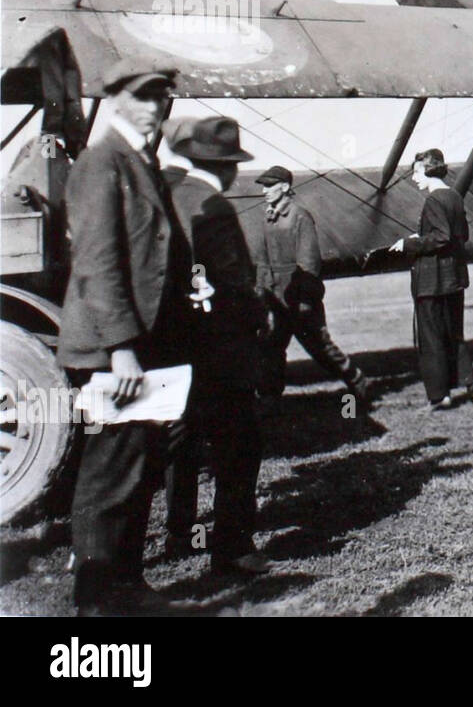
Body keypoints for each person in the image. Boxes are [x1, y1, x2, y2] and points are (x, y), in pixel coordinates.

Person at [58, 56, 192, 615]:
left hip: (146, 342)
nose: (157, 105)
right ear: (114, 99)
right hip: (117, 348)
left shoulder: (139, 161)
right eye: (145, 95)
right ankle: (95, 602)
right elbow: (96, 263)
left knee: (140, 466)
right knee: (110, 472)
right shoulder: (100, 163)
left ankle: (128, 585)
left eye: (163, 94)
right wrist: (121, 350)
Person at [160, 117, 270, 577]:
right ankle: (233, 547)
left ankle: (178, 533)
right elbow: (235, 283)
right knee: (237, 446)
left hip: (174, 344)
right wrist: (256, 322)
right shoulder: (215, 206)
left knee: (178, 443)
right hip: (222, 349)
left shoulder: (168, 196)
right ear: (227, 167)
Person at [251, 165, 373, 404]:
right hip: (276, 296)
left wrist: (306, 299)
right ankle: (269, 397)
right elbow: (262, 259)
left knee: (319, 346)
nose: (264, 191)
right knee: (271, 347)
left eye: (270, 186)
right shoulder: (268, 216)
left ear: (285, 188)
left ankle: (357, 380)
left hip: (297, 294)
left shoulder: (299, 216)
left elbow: (308, 261)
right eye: (263, 186)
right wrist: (261, 290)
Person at [389, 148, 473, 408]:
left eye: (417, 171)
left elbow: (441, 237)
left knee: (431, 337)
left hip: (432, 281)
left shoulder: (433, 201)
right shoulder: (454, 197)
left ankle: (440, 396)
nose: (414, 177)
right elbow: (459, 235)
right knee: (455, 333)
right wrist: (421, 238)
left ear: (428, 170)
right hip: (454, 278)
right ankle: (470, 385)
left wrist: (409, 244)